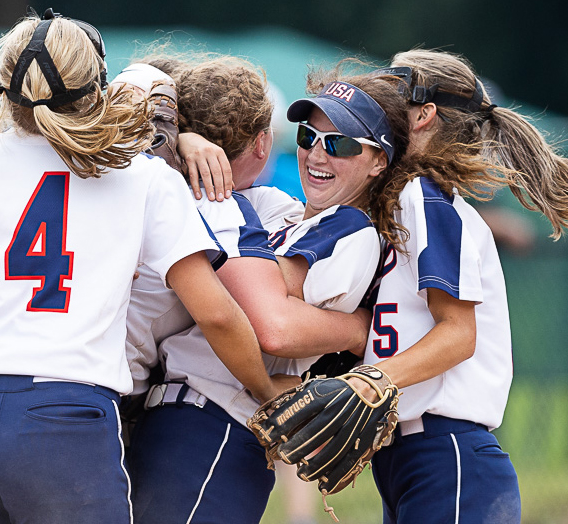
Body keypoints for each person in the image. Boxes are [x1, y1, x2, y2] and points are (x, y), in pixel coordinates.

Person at [0, 12, 288, 524]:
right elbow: (217, 315)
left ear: (3, 90)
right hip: (64, 414)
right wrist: (268, 397)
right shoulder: (142, 174)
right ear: (96, 86)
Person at [126, 56, 409, 524]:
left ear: (379, 160)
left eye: (338, 143)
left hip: (217, 420)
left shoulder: (353, 229)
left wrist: (360, 329)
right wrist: (182, 140)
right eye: (307, 137)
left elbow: (273, 327)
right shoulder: (277, 206)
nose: (318, 154)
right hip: (171, 418)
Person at [358, 49, 568, 523]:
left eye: (394, 90)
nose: (379, 100)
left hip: (447, 454)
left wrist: (368, 382)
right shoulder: (403, 198)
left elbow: (457, 334)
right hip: (412, 456)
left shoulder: (426, 197)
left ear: (423, 115)